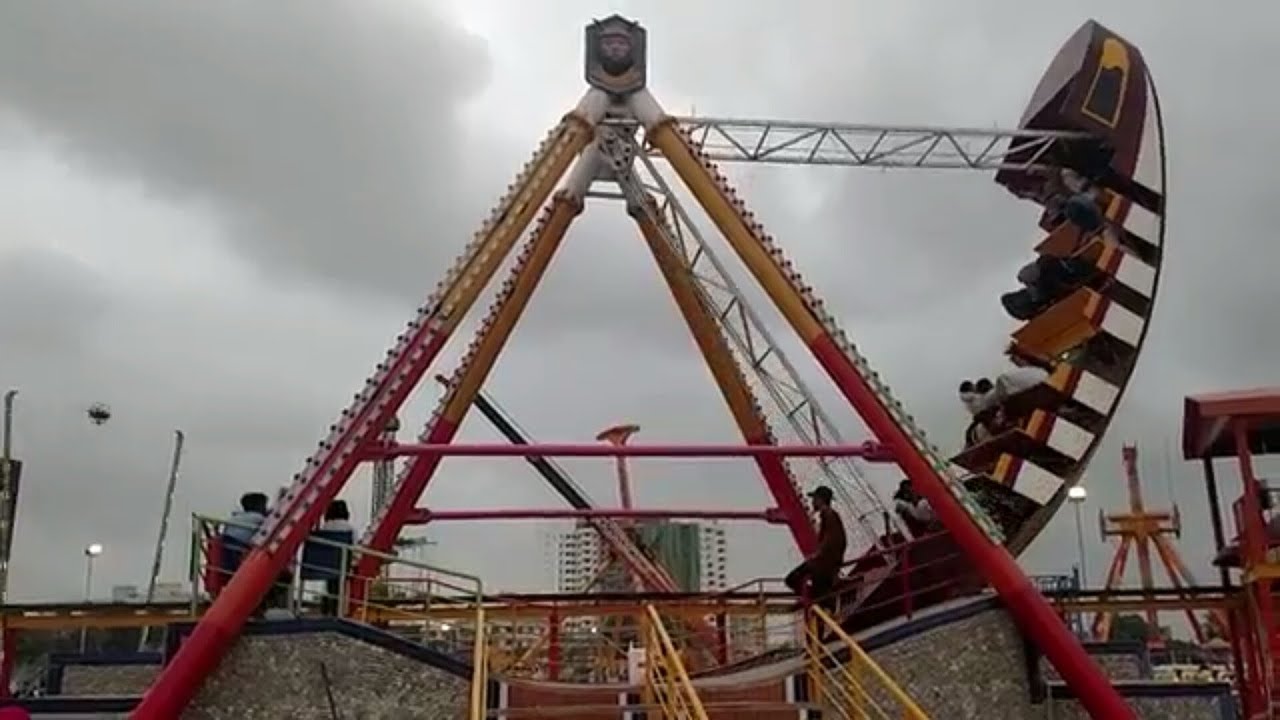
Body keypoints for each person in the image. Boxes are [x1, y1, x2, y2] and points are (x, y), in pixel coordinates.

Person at [784, 486, 847, 611]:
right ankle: (818, 599)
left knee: (792, 579)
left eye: (814, 499)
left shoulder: (828, 515)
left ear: (820, 500)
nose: (812, 502)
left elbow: (832, 539)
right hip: (827, 564)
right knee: (820, 595)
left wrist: (818, 554)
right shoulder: (830, 515)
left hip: (823, 564)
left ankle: (811, 598)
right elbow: (839, 540)